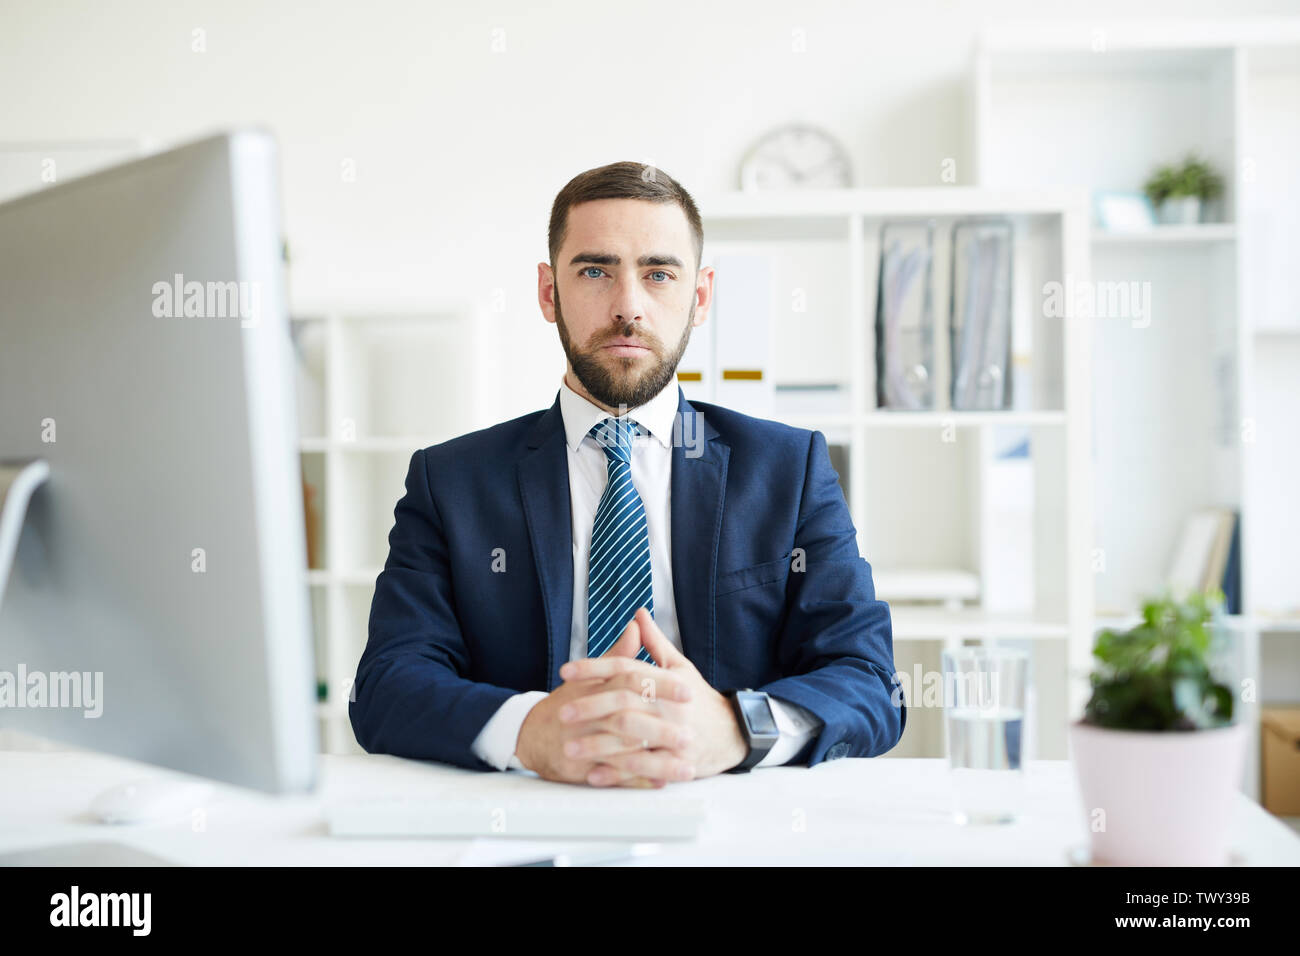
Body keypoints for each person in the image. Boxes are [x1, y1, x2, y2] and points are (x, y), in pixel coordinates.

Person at [349, 161, 905, 788]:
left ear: (699, 298)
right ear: (547, 292)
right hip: (527, 811)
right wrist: (529, 730)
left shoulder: (789, 468)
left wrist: (737, 726)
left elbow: (869, 682)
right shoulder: (449, 481)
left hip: (729, 819)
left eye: (659, 274)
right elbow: (386, 686)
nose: (628, 308)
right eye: (595, 271)